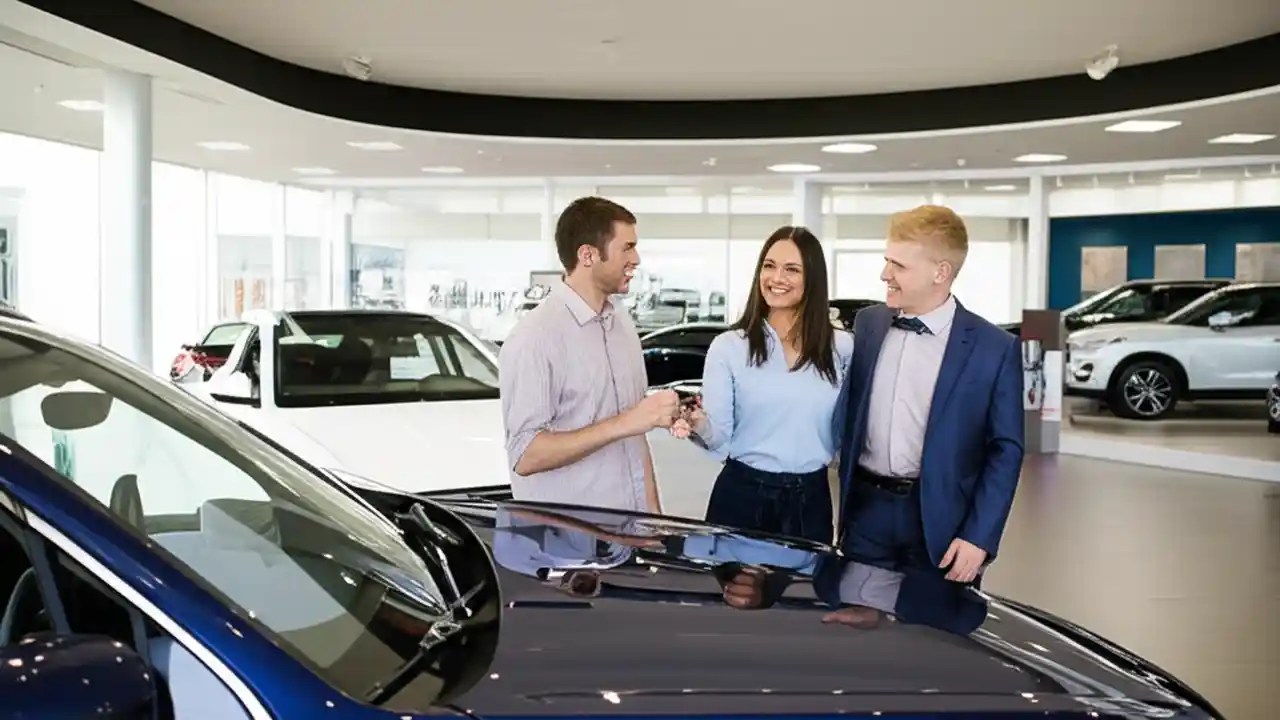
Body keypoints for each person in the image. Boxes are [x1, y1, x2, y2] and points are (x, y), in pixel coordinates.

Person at [816, 204, 1023, 620]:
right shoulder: (870, 324)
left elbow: (1006, 450)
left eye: (898, 265)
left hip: (943, 524)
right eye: (886, 261)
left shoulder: (994, 348)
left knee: (931, 647)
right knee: (856, 637)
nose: (884, 274)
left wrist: (979, 536)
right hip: (866, 514)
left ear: (940, 272)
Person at [498, 196, 679, 513]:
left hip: (632, 533)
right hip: (570, 544)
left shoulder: (621, 323)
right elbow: (526, 455)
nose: (636, 259)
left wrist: (654, 524)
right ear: (587, 255)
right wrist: (625, 423)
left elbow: (634, 441)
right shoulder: (535, 338)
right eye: (627, 247)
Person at [674, 226, 853, 543]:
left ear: (813, 278)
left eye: (791, 269)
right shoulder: (729, 346)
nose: (776, 278)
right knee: (735, 593)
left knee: (803, 592)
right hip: (742, 495)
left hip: (811, 499)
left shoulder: (842, 347)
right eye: (768, 266)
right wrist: (697, 423)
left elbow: (848, 432)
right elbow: (720, 442)